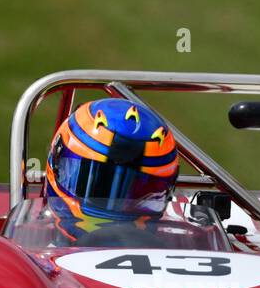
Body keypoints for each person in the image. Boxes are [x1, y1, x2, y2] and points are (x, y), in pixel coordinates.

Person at [44, 98, 179, 243]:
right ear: (57, 168)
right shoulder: (27, 245)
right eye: (101, 183)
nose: (116, 206)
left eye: (138, 190)